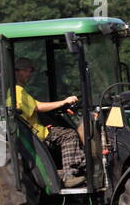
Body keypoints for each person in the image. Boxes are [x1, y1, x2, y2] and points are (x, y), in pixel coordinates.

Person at [13, 58, 86, 187]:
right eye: (26, 71)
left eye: (30, 71)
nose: (29, 74)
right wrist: (64, 102)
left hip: (35, 131)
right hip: (36, 134)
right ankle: (70, 174)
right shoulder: (16, 91)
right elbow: (38, 107)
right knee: (69, 134)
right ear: (17, 72)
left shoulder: (19, 91)